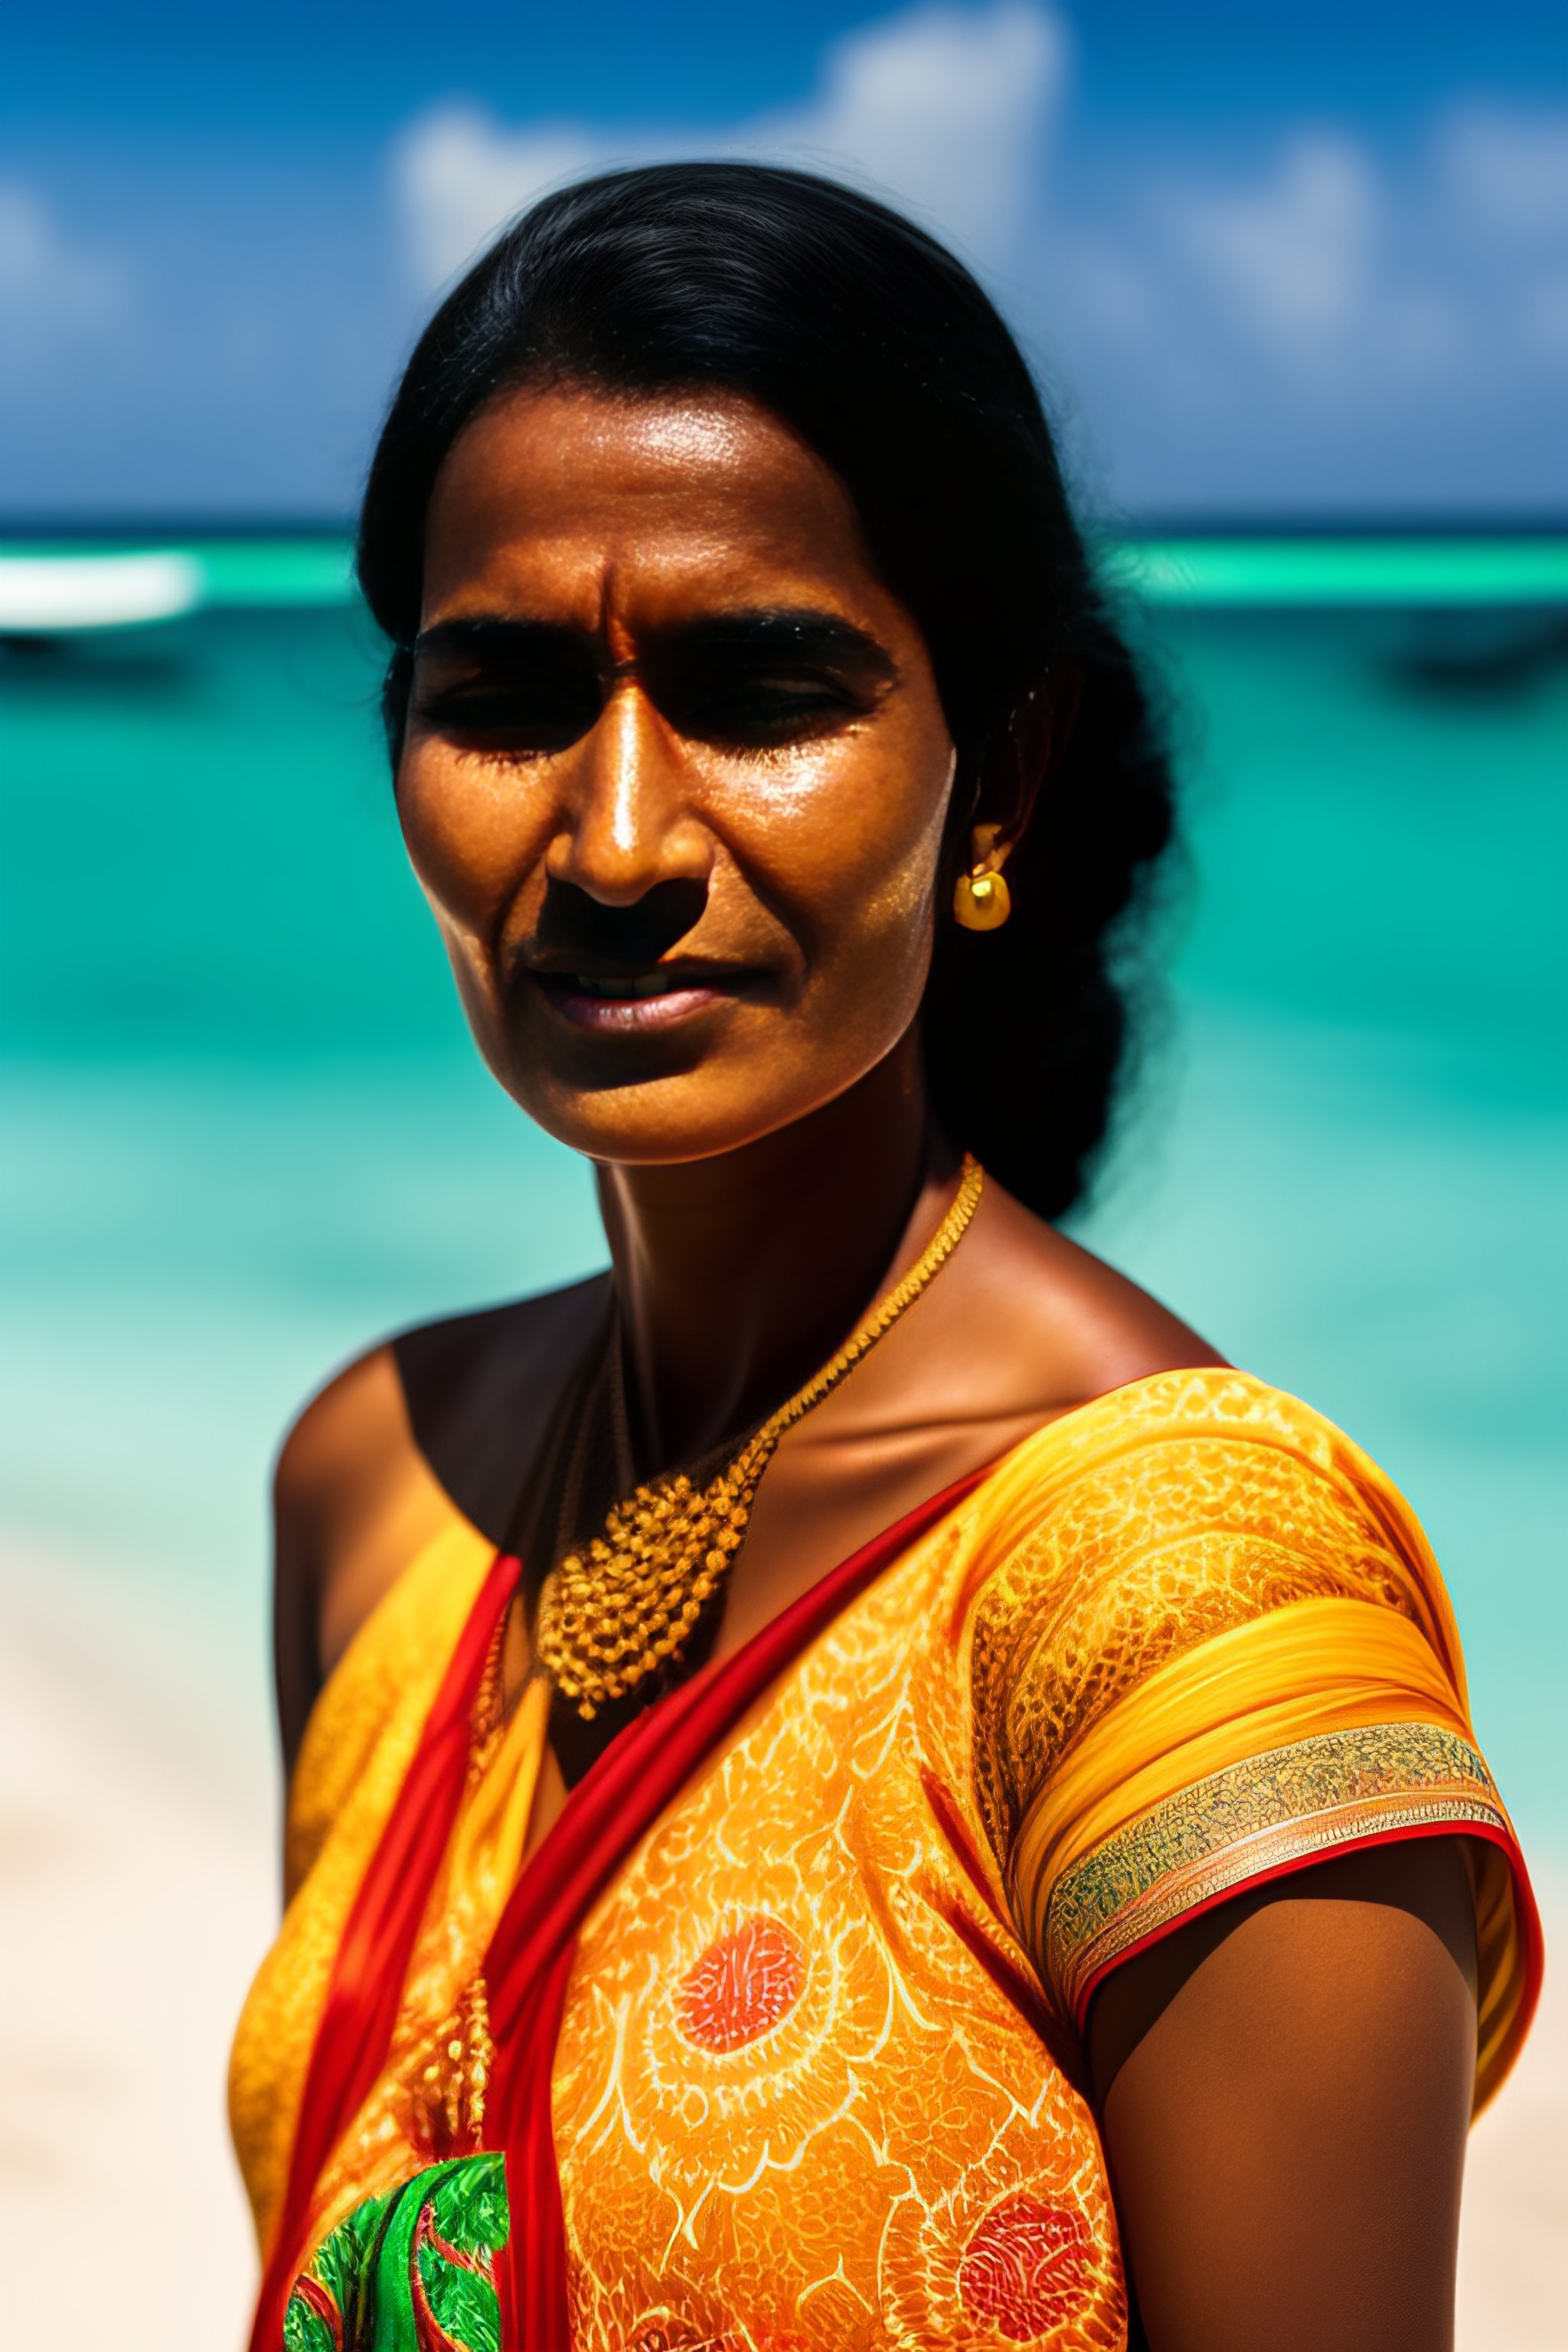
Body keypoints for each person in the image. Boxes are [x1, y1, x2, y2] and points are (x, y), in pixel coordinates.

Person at [230, 164, 1538, 2352]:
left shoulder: (1173, 1594)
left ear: (996, 772)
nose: (615, 842)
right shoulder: (384, 1477)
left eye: (760, 692)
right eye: (506, 696)